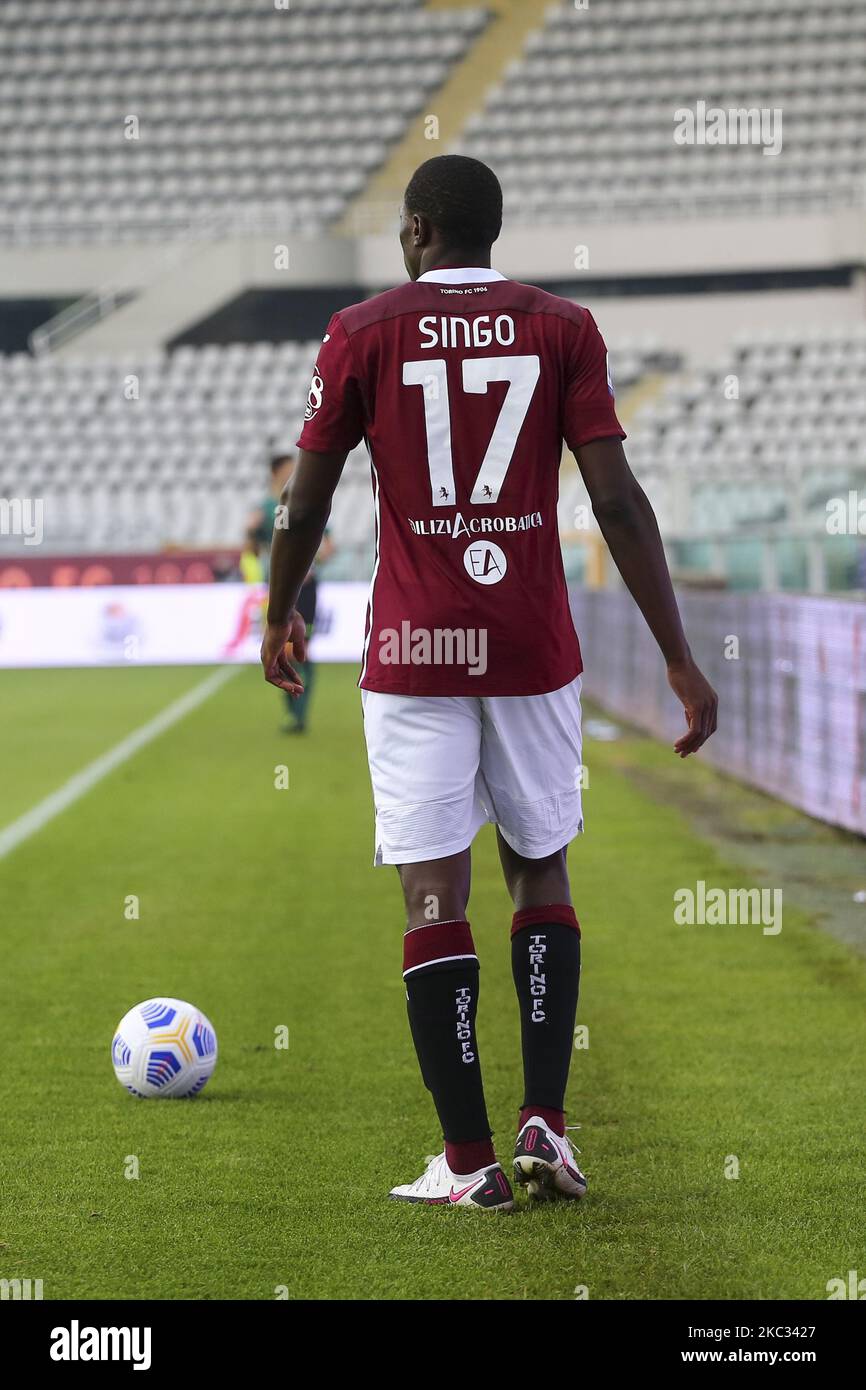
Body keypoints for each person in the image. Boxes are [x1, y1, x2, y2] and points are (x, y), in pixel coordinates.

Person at [261, 155, 717, 1210]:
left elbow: (307, 502)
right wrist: (677, 653)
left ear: (417, 230)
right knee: (539, 869)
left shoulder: (361, 330)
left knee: (432, 889)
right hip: (528, 645)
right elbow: (615, 499)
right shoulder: (562, 326)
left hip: (414, 648)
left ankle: (467, 1165)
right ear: (492, 233)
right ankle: (544, 1129)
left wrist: (279, 605)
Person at [248, 452, 333, 732]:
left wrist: (309, 560)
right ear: (275, 473)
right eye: (287, 469)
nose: (293, 473)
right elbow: (251, 548)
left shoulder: (307, 500)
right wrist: (251, 532)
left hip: (305, 588)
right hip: (276, 587)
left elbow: (329, 547)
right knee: (280, 648)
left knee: (302, 646)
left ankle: (299, 714)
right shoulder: (264, 507)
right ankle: (291, 710)